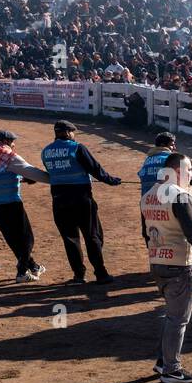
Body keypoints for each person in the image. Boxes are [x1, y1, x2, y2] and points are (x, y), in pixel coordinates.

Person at [141, 152, 192, 383]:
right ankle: (172, 370)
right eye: (187, 170)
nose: (191, 174)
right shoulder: (181, 197)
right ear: (176, 172)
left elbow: (146, 231)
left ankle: (163, 361)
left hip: (157, 261)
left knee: (171, 316)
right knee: (178, 319)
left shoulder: (148, 195)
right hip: (180, 264)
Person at [40, 120, 123, 284]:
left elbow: (50, 171)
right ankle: (101, 273)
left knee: (70, 238)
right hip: (81, 197)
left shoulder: (46, 151)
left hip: (58, 199)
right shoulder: (77, 147)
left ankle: (79, 275)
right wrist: (112, 180)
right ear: (69, 132)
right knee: (93, 235)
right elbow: (94, 168)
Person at [0, 128, 49, 282]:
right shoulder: (7, 154)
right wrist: (54, 180)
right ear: (6, 142)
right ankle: (22, 272)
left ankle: (34, 266)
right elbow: (30, 171)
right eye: (12, 141)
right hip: (10, 202)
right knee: (27, 238)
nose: (14, 144)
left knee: (13, 239)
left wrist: (20, 179)